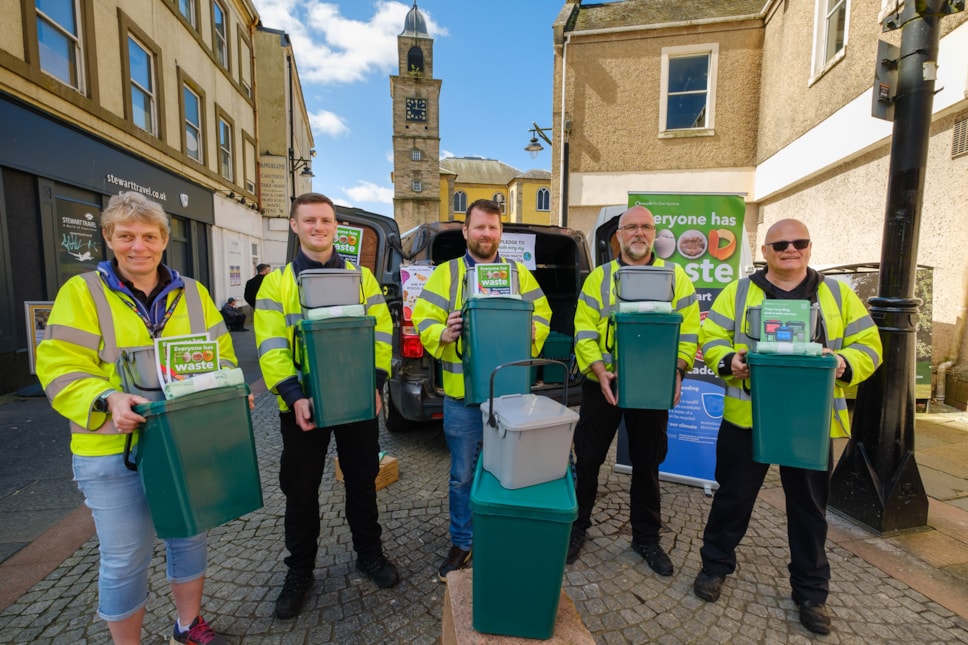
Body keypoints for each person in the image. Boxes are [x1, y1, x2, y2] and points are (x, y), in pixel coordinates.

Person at [36, 191, 236, 645]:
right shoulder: (82, 292)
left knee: (189, 537)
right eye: (126, 236)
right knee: (125, 557)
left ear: (165, 239)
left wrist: (227, 395)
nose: (138, 247)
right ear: (109, 237)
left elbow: (222, 357)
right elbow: (58, 366)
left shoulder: (194, 293)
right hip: (111, 451)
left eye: (149, 236)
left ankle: (187, 627)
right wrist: (107, 397)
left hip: (185, 443)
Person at [693, 219, 883, 635]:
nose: (789, 249)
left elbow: (870, 346)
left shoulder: (837, 294)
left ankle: (811, 592)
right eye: (780, 244)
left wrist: (844, 362)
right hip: (748, 419)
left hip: (808, 424)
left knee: (809, 510)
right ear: (765, 250)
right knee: (733, 499)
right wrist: (730, 360)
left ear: (810, 247)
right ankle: (715, 566)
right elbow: (711, 335)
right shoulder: (739, 291)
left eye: (798, 243)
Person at [255, 192, 399, 620]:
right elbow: (270, 345)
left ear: (337, 227)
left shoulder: (362, 279)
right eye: (310, 221)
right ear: (295, 227)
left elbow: (382, 332)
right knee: (300, 491)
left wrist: (375, 382)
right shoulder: (277, 284)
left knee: (362, 480)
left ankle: (369, 555)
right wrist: (294, 396)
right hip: (303, 407)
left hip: (356, 400)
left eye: (326, 221)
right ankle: (300, 571)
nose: (319, 227)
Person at [412, 198, 552, 582]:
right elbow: (423, 316)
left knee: (510, 470)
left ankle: (502, 535)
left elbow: (543, 314)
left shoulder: (519, 275)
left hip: (510, 396)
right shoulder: (447, 274)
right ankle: (463, 541)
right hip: (463, 398)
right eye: (479, 227)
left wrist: (528, 334)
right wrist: (441, 331)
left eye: (493, 227)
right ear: (466, 231)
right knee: (461, 474)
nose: (486, 233)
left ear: (500, 233)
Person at [567, 205, 700, 575]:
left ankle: (646, 538)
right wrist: (597, 368)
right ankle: (577, 527)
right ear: (619, 236)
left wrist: (677, 370)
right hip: (602, 384)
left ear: (653, 233)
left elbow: (689, 332)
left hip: (652, 384)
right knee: (589, 459)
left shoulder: (676, 277)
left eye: (645, 227)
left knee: (647, 463)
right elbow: (584, 330)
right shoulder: (599, 278)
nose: (639, 233)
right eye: (631, 227)